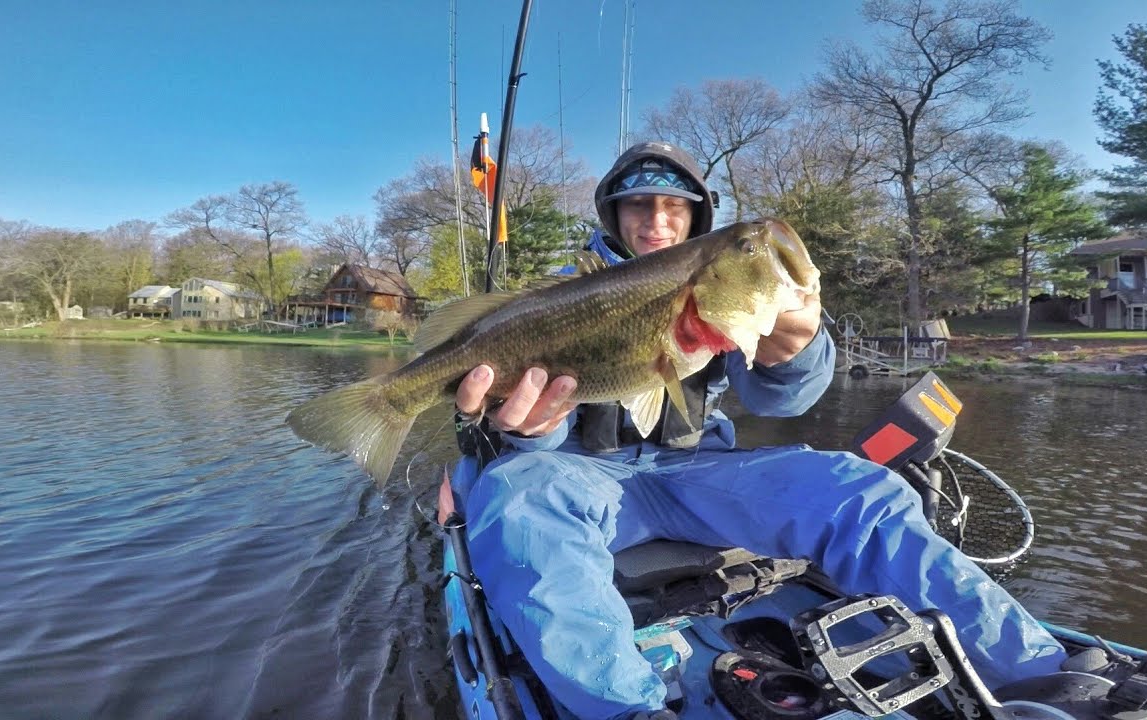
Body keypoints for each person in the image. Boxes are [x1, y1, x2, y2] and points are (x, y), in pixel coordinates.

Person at [448, 141, 1069, 719]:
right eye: (638, 205)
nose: (657, 220)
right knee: (518, 493)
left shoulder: (725, 280)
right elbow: (517, 437)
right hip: (578, 475)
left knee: (860, 489)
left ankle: (1039, 677)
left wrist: (797, 348)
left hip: (698, 471)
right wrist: (529, 435)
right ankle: (627, 708)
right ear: (612, 214)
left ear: (698, 216)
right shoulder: (556, 292)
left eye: (676, 206)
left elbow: (783, 400)